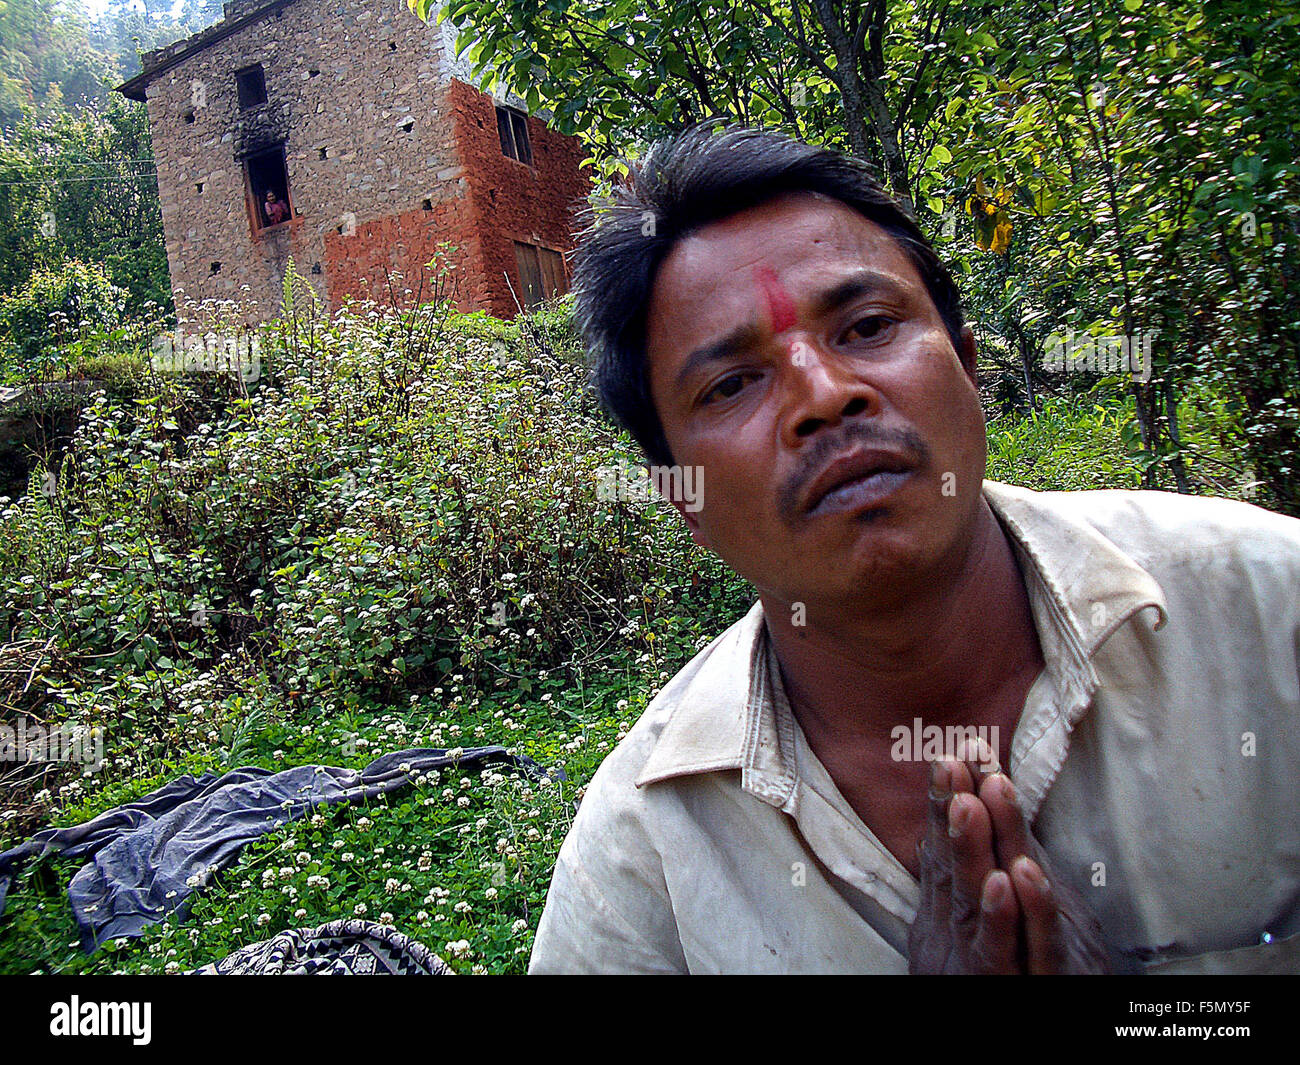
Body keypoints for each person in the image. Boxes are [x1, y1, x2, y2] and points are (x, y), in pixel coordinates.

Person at [527, 123, 1300, 974]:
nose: (823, 395)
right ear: (687, 504)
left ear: (969, 370)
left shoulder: (1273, 614)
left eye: (865, 327)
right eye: (732, 383)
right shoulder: (641, 872)